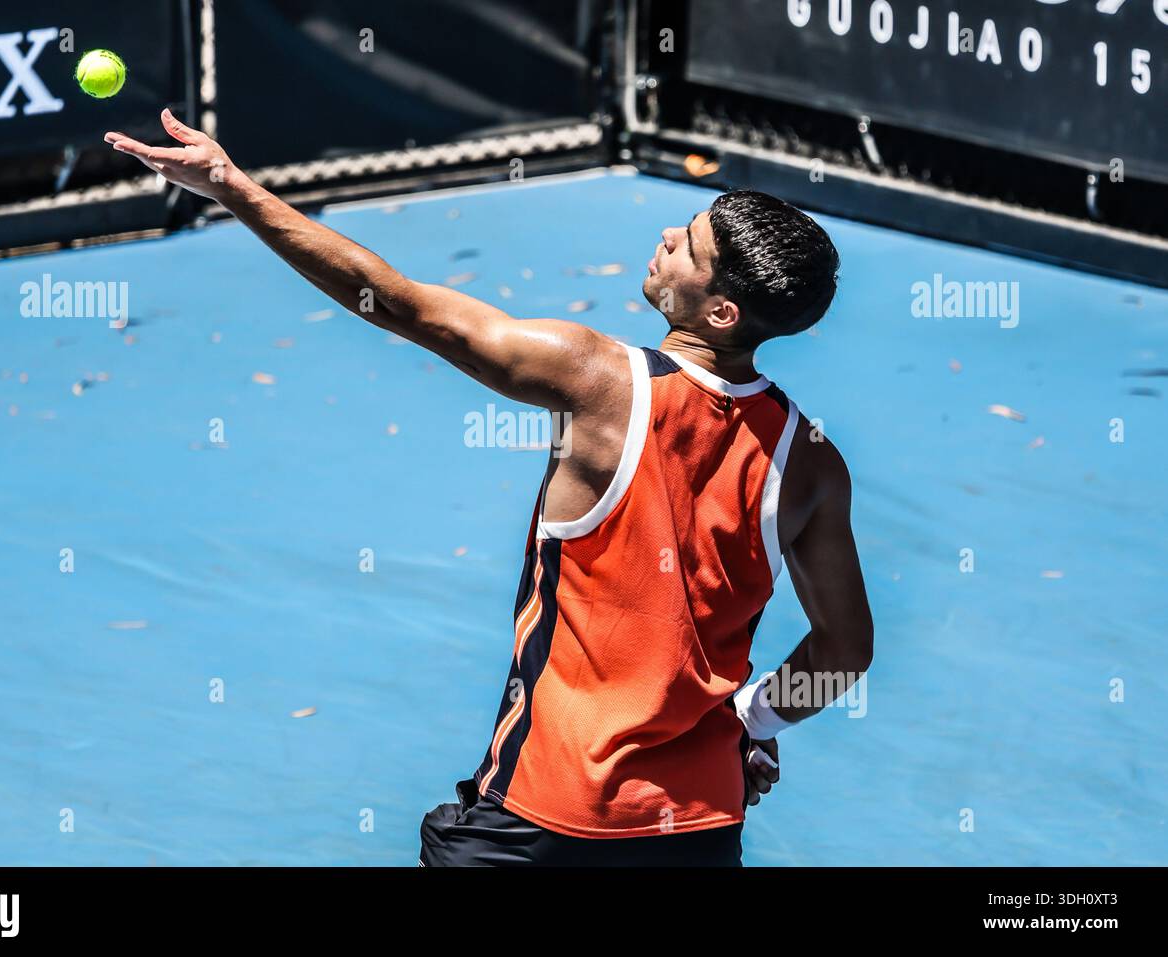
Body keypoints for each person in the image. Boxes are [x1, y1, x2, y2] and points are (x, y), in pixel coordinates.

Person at [107, 110, 874, 867]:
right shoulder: (811, 462)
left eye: (691, 246)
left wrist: (233, 188)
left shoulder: (598, 381)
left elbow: (397, 301)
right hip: (696, 827)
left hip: (545, 815)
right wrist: (752, 720)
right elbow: (845, 648)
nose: (669, 236)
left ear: (721, 310)